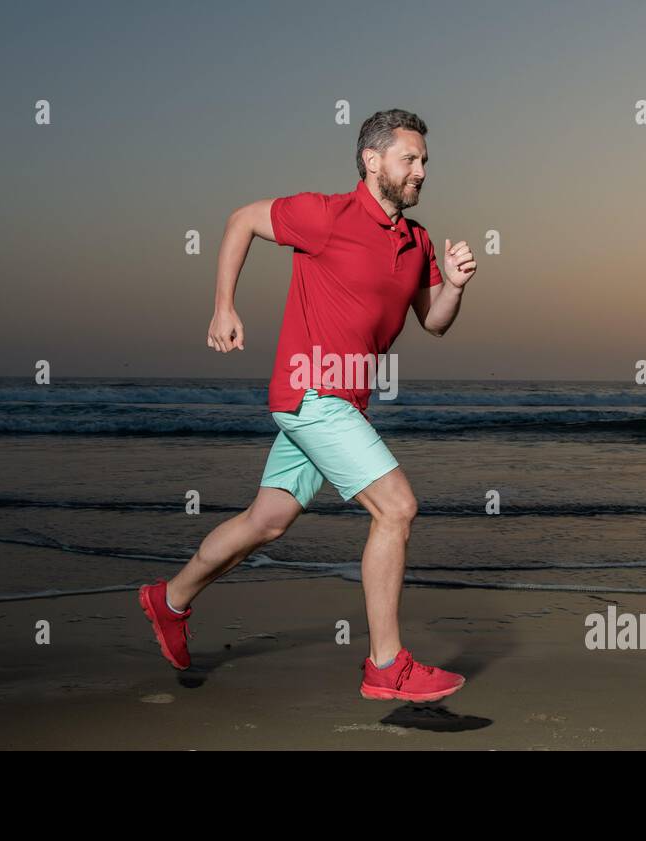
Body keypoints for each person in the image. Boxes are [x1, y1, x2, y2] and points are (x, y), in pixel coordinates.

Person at [138, 109, 478, 702]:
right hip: (311, 393)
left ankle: (168, 600)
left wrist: (452, 284)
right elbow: (242, 219)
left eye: (424, 160)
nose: (421, 170)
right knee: (396, 508)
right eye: (410, 159)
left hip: (346, 401)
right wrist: (224, 305)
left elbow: (436, 323)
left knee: (266, 521)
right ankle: (385, 664)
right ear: (373, 161)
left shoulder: (417, 239)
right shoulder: (325, 215)